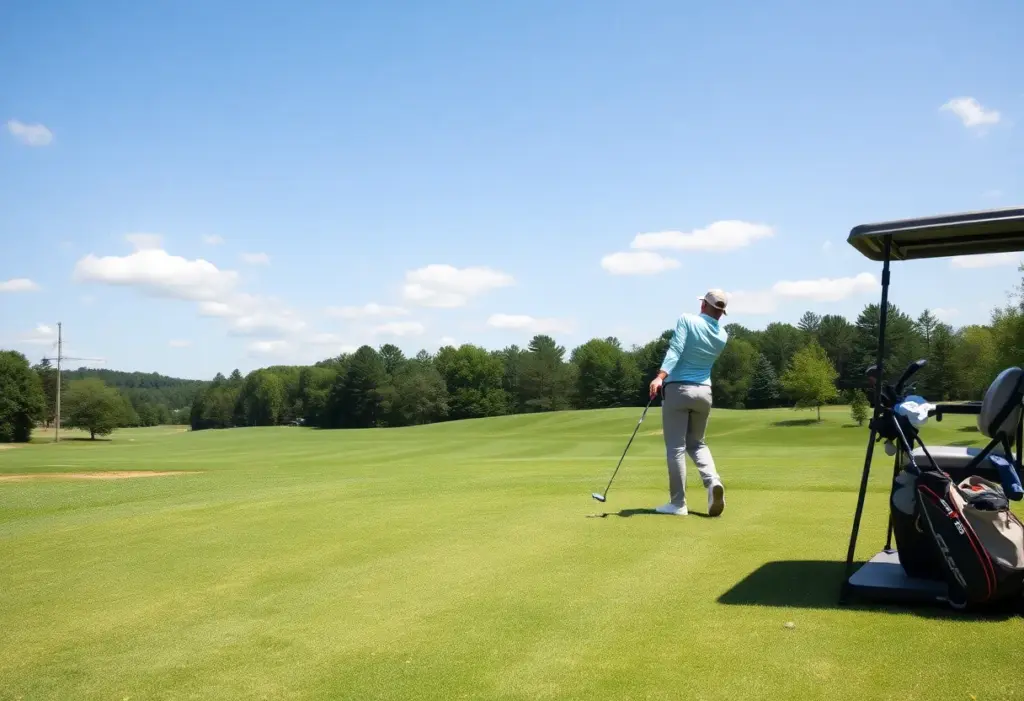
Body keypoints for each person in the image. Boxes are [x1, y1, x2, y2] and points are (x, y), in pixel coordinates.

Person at [648, 289, 730, 517]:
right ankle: (713, 482)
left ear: (703, 305)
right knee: (698, 444)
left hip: (678, 389)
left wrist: (660, 376)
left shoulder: (687, 319)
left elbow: (676, 349)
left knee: (676, 447)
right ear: (722, 313)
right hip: (705, 392)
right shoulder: (723, 335)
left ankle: (678, 504)